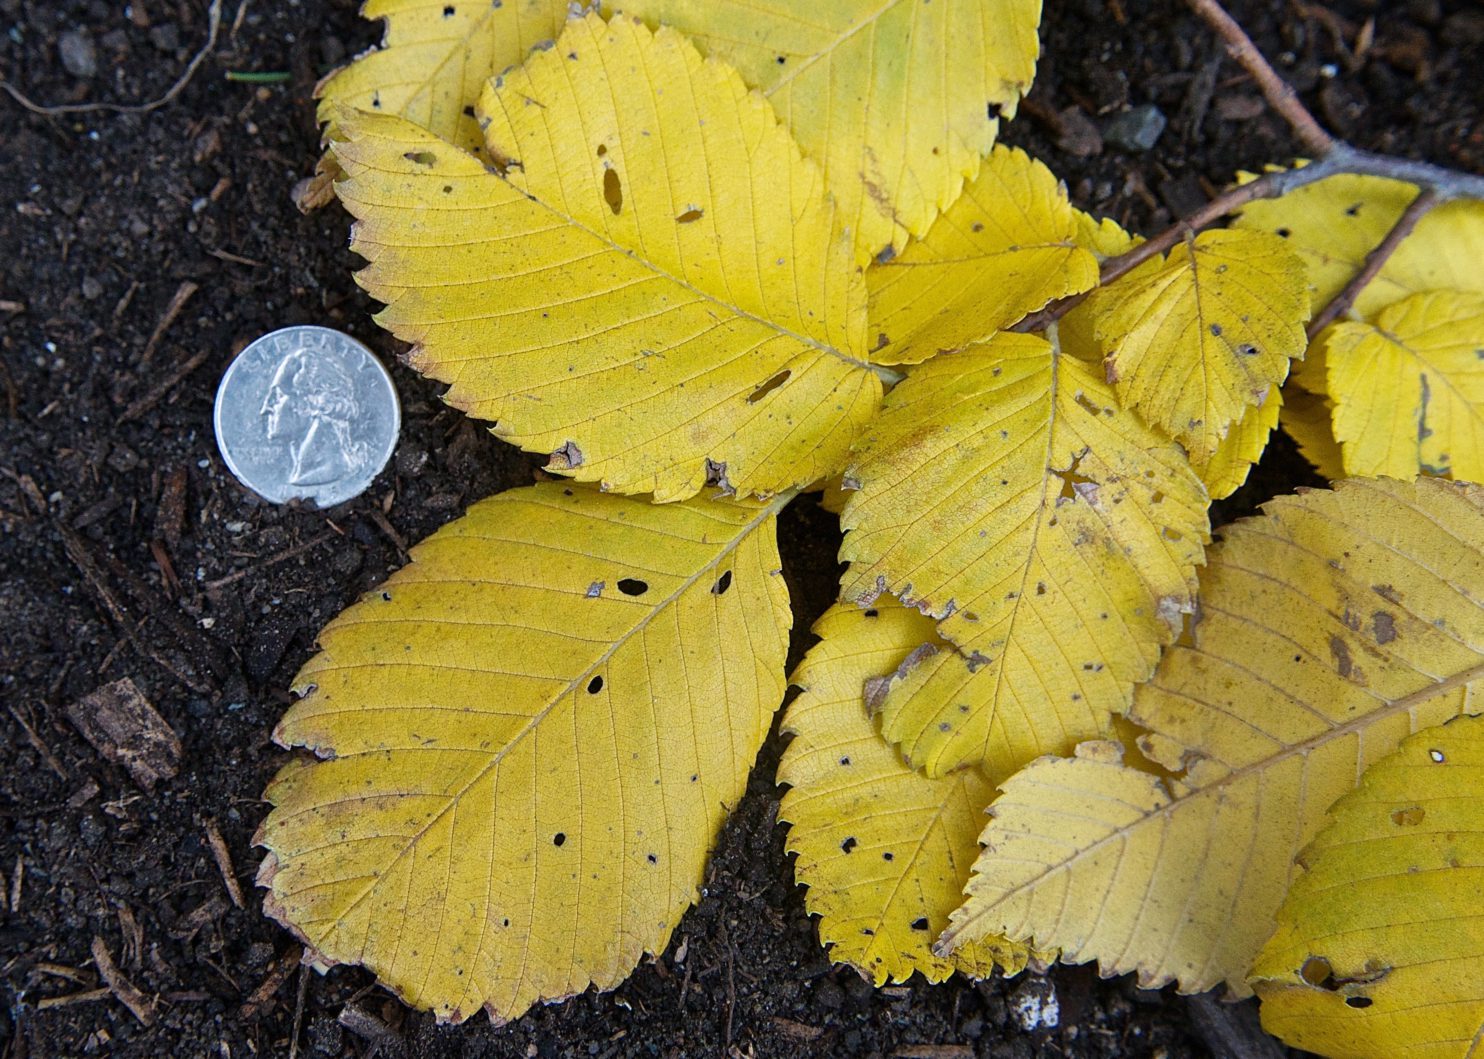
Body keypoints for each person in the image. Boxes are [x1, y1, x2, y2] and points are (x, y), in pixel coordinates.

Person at [260, 347, 368, 487]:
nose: (265, 409)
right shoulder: (306, 469)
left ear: (306, 406)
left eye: (277, 397)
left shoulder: (332, 469)